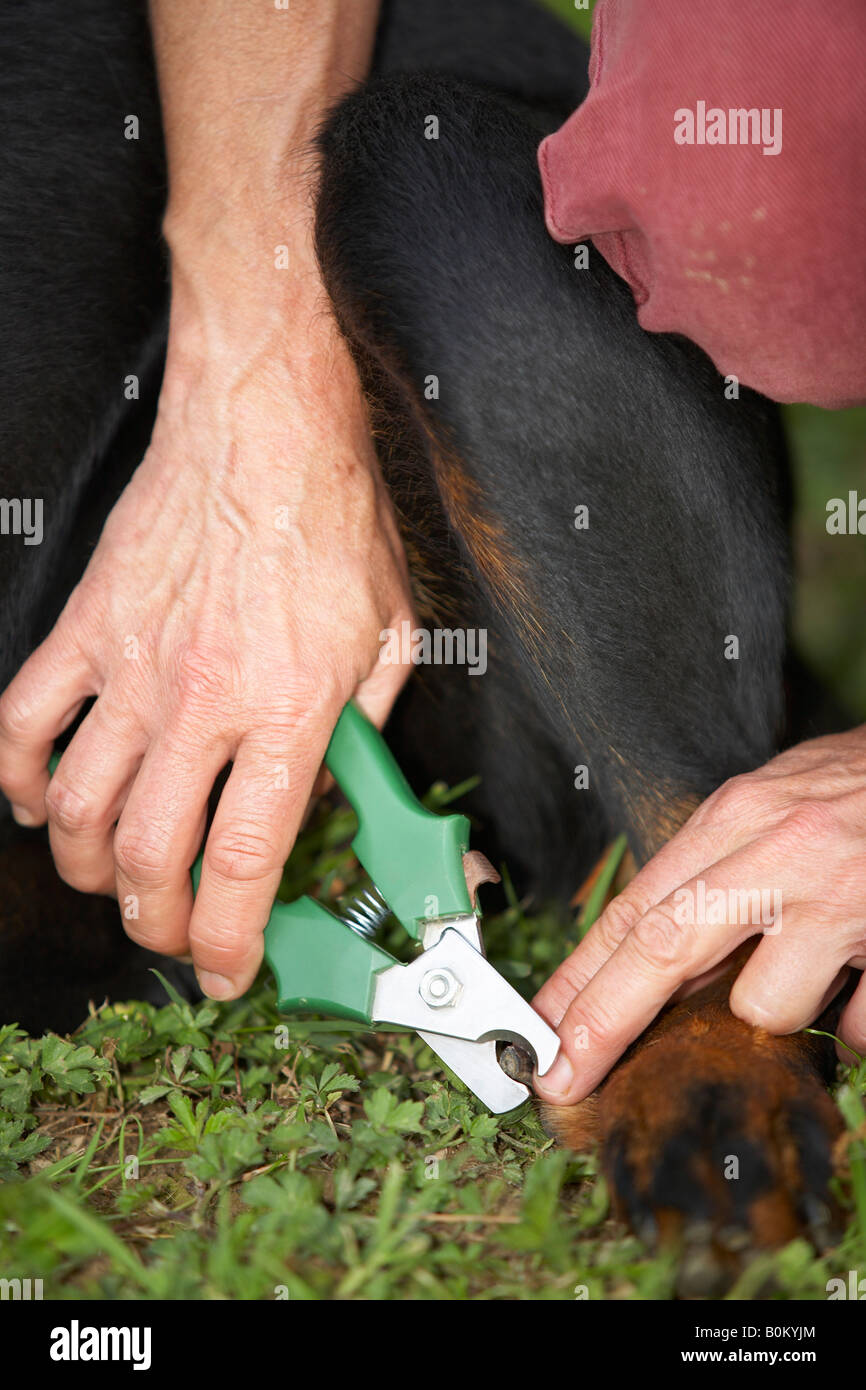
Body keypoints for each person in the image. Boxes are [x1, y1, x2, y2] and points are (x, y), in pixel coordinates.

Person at [0, 0, 862, 1101]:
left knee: (433, 175)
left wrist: (266, 443)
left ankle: (710, 917)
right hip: (77, 735)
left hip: (546, 649)